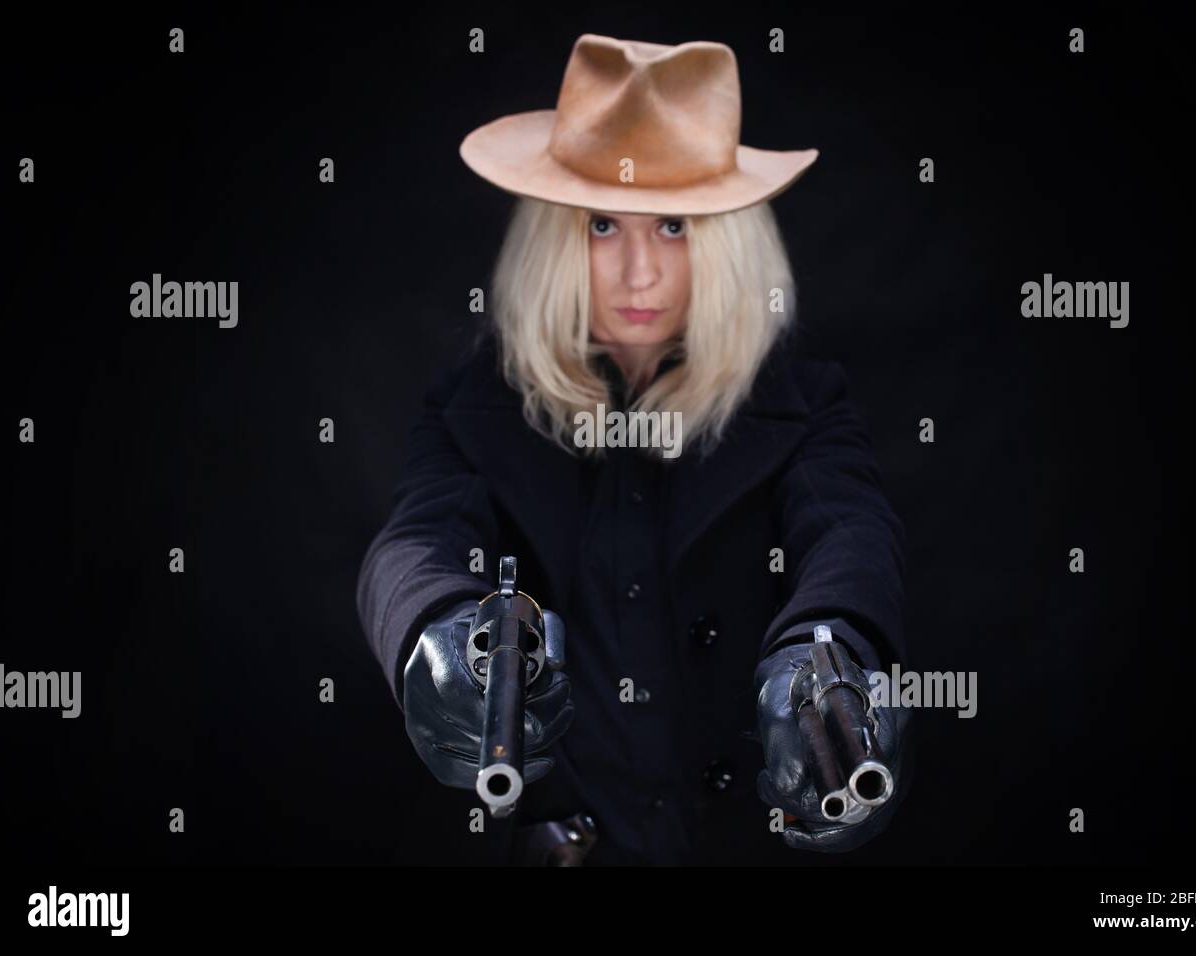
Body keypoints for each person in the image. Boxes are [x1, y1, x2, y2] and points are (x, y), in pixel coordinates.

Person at [356, 33, 912, 865]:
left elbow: (849, 536)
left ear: (728, 241)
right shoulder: (474, 405)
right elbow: (414, 541)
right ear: (552, 239)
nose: (640, 272)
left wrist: (826, 651)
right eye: (604, 225)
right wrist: (431, 632)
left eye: (676, 227)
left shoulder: (804, 402)